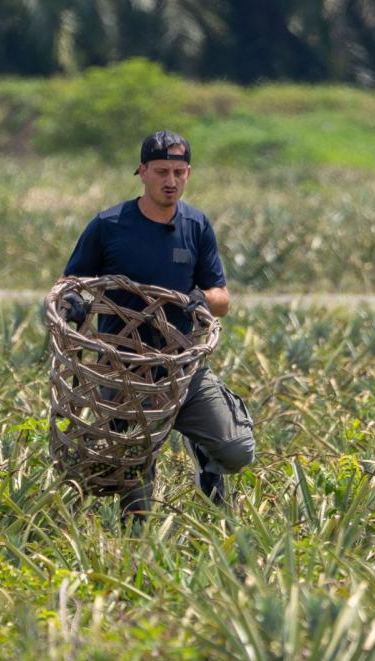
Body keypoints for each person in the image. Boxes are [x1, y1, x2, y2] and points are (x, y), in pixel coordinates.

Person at [59, 130, 255, 518]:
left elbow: (222, 298)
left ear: (189, 173)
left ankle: (208, 462)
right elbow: (71, 283)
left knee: (237, 452)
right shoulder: (109, 225)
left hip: (182, 366)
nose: (171, 181)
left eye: (179, 172)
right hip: (122, 370)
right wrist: (74, 304)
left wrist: (201, 299)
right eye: (162, 171)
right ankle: (136, 545)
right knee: (128, 467)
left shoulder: (196, 224)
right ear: (142, 171)